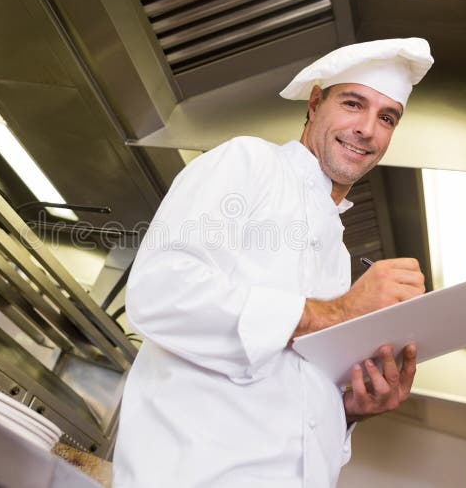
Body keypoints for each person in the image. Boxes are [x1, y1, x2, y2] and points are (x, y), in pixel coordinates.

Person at [112, 38, 434, 488]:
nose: (367, 129)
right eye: (353, 104)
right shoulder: (249, 162)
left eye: (386, 117)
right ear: (316, 103)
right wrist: (339, 313)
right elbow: (159, 292)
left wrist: (349, 409)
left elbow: (291, 396)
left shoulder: (338, 258)